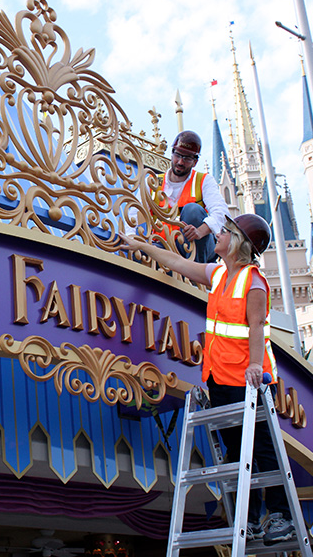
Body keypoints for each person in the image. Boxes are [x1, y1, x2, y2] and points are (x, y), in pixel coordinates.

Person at [121, 213, 295, 545]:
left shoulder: (252, 281)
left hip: (248, 379)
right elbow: (175, 261)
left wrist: (256, 366)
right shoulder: (218, 274)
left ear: (239, 243)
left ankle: (279, 515)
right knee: (234, 448)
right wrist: (141, 246)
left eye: (226, 232)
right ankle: (251, 518)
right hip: (219, 377)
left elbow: (256, 327)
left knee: (262, 448)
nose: (218, 234)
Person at [150, 130, 228, 263]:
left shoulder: (203, 181)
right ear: (172, 153)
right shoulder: (153, 182)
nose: (180, 162)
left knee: (193, 210)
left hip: (198, 248)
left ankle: (195, 275)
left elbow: (222, 213)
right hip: (163, 246)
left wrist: (201, 231)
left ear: (195, 162)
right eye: (178, 155)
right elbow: (133, 214)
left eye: (186, 158)